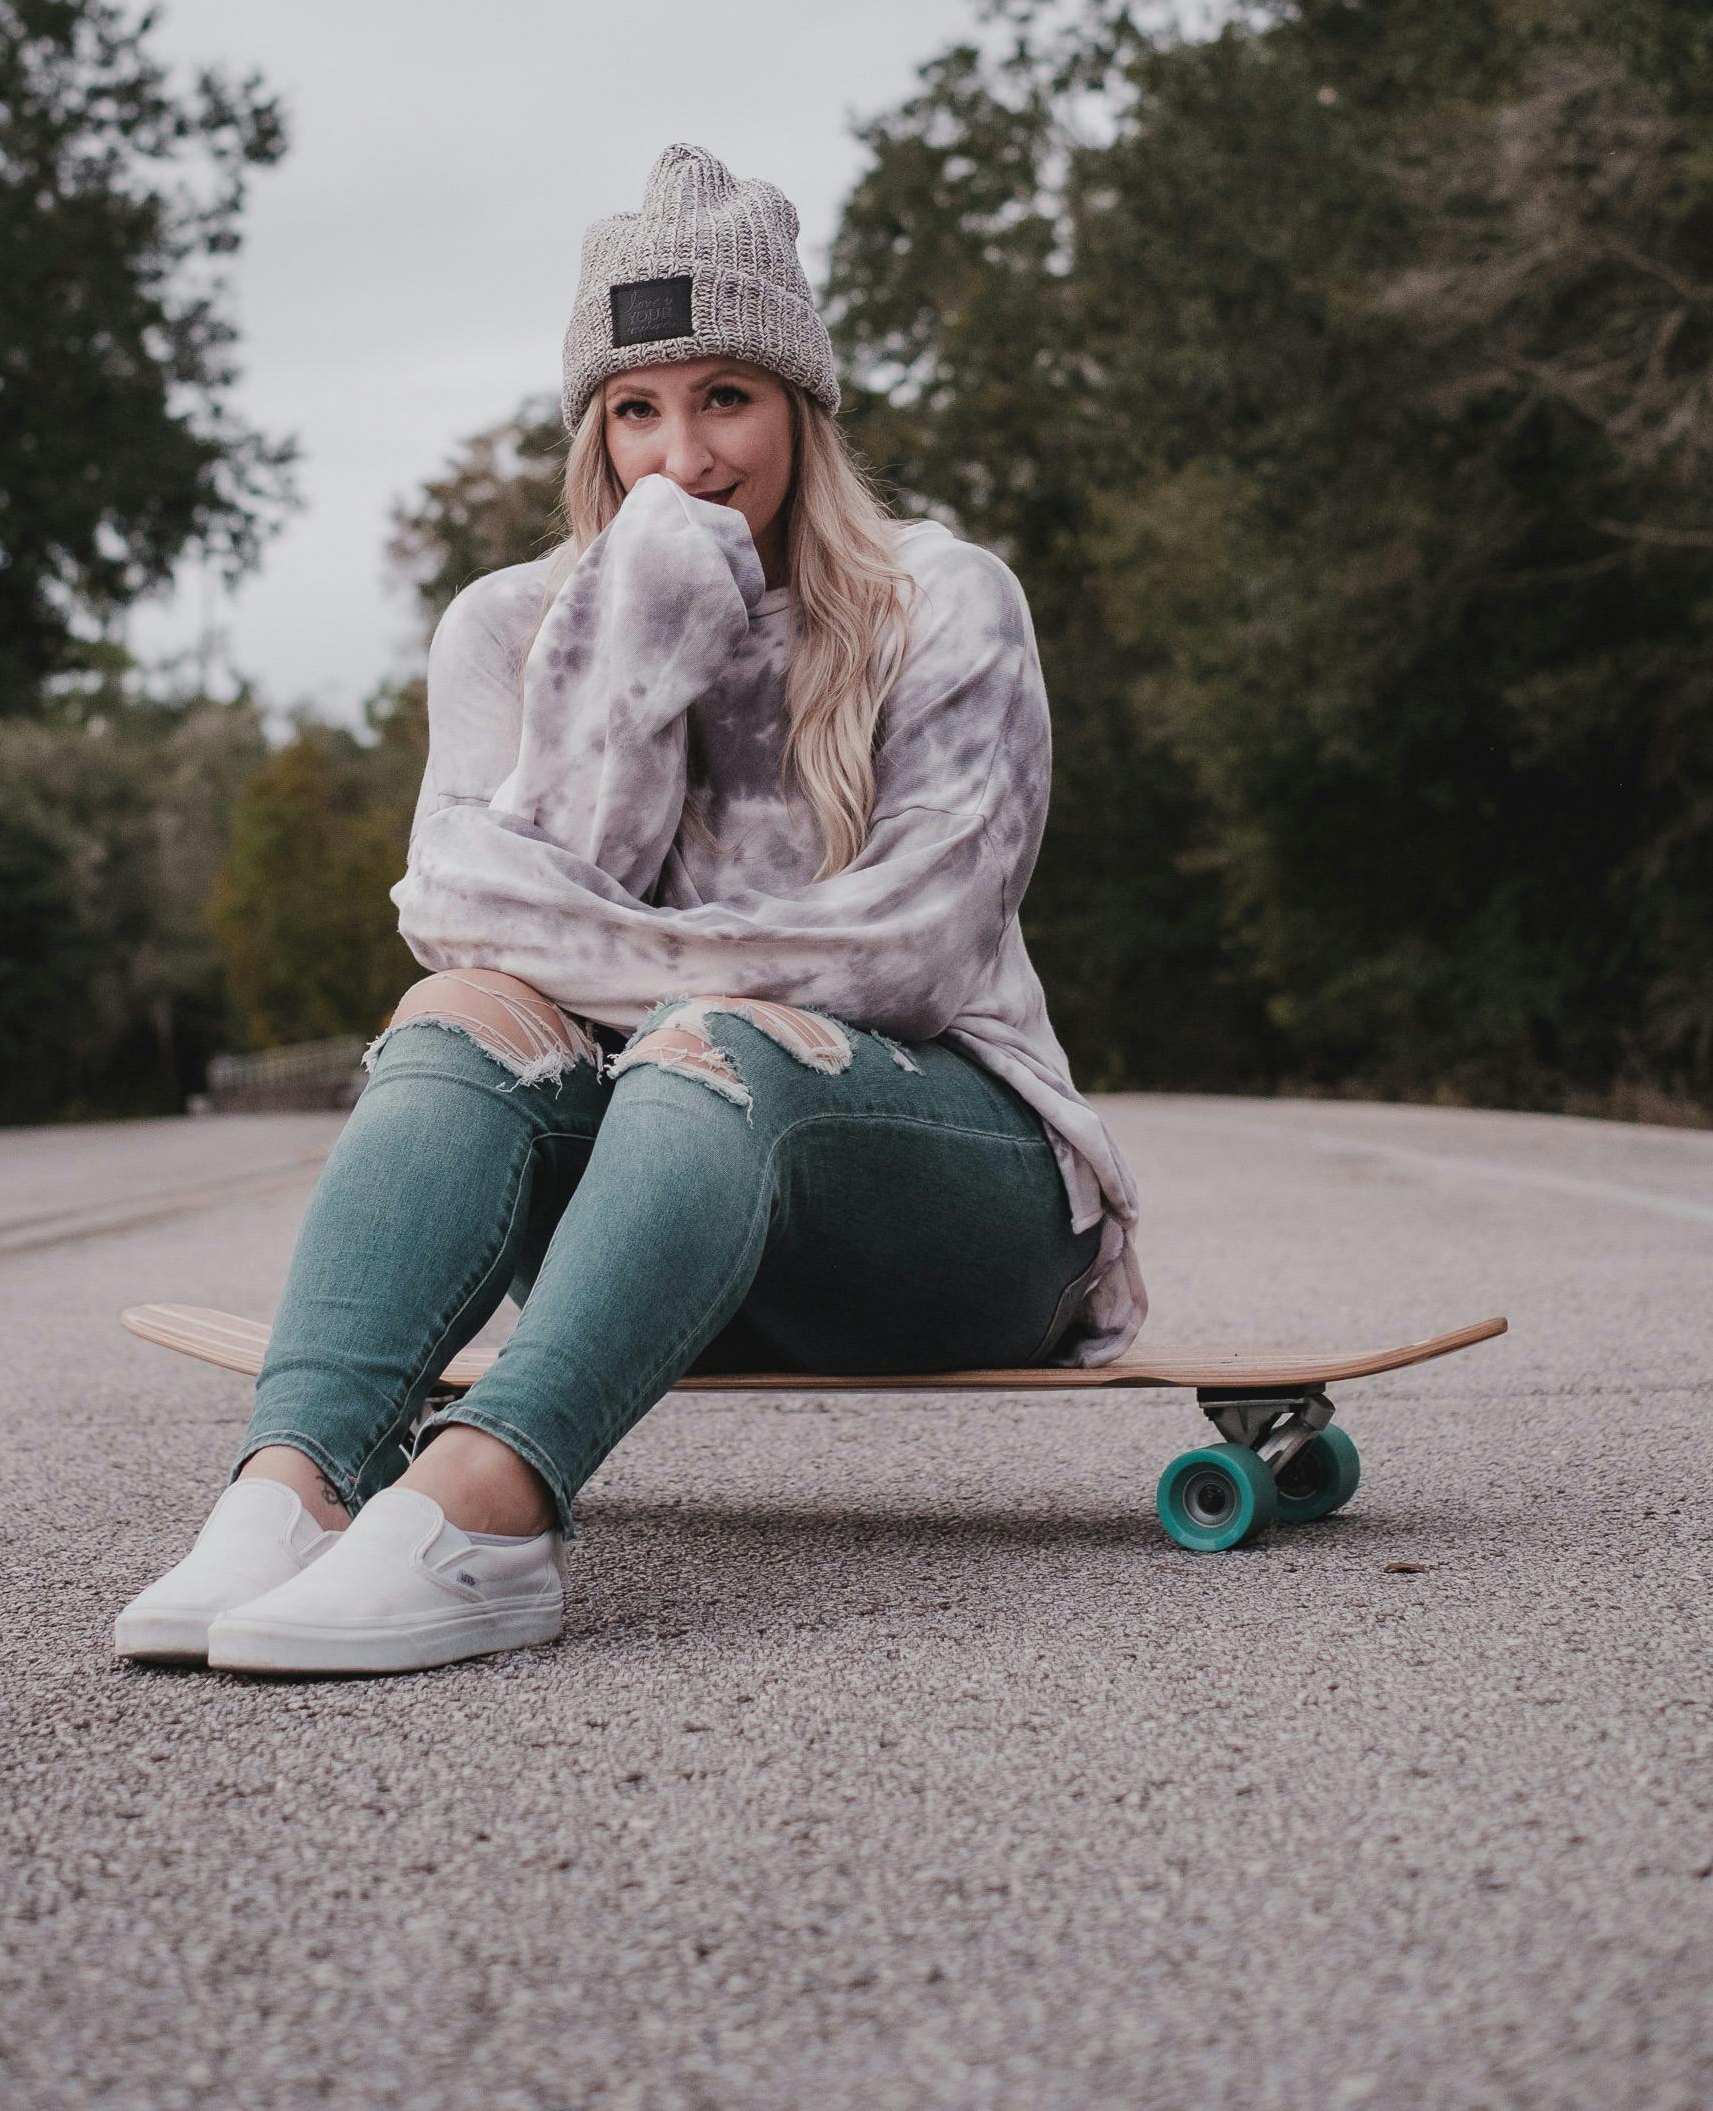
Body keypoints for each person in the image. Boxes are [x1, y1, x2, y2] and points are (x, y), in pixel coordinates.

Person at [115, 142, 1145, 1677]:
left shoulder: (940, 600)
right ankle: (295, 1493)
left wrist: (653, 997)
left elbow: (914, 956)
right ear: (593, 426)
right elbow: (455, 920)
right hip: (656, 1238)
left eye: (726, 396)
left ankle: (485, 1514)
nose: (683, 455)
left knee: (716, 1038)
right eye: (636, 409)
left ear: (800, 405)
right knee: (460, 1014)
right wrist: (628, 649)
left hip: (950, 1216)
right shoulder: (507, 626)